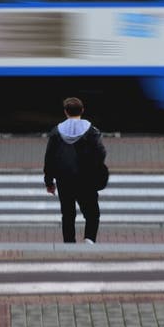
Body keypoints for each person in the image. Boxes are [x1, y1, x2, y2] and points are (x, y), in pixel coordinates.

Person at [43, 97, 107, 244]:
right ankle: (89, 240)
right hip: (86, 180)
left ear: (66, 112)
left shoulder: (56, 132)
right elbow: (101, 153)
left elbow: (49, 159)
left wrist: (49, 182)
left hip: (64, 180)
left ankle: (69, 245)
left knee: (68, 215)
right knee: (92, 214)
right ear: (82, 110)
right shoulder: (92, 131)